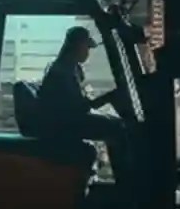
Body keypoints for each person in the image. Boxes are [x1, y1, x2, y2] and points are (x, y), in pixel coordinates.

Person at [38, 26, 130, 186]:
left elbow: (81, 102)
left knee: (116, 124)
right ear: (77, 45)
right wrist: (109, 97)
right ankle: (124, 182)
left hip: (69, 118)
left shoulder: (72, 68)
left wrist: (105, 99)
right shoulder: (61, 71)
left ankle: (123, 179)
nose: (87, 52)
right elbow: (78, 107)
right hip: (62, 124)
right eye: (86, 47)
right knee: (116, 128)